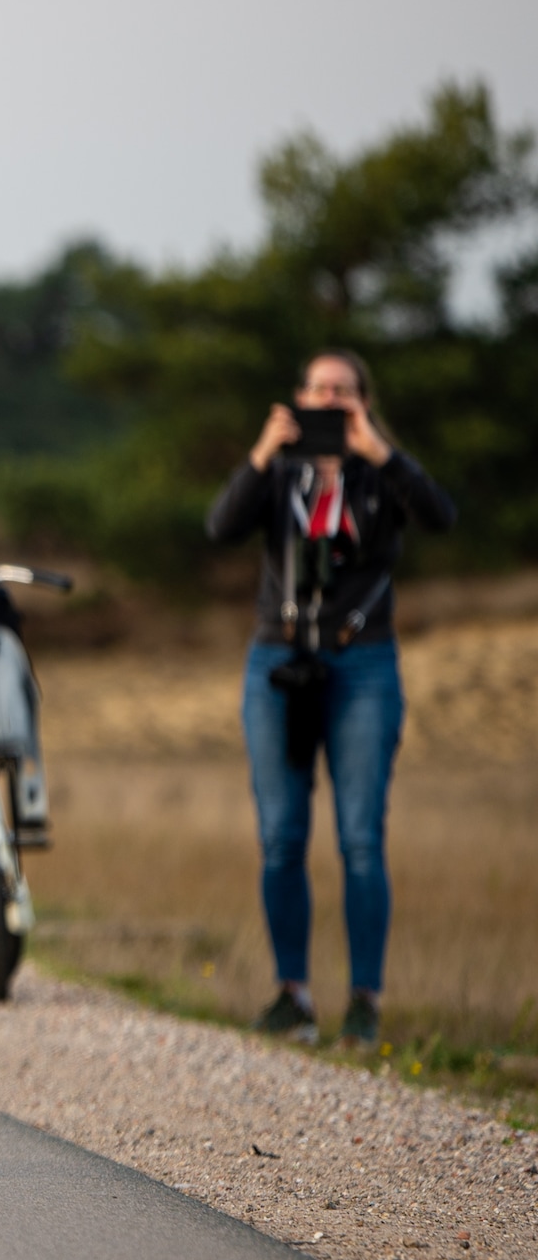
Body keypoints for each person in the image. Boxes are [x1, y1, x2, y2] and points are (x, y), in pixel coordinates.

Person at [207, 349, 454, 1048]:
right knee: (281, 836)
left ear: (364, 403)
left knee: (360, 839)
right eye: (320, 390)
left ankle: (365, 1004)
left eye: (345, 392)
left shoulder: (383, 474)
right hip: (278, 658)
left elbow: (440, 517)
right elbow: (221, 527)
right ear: (298, 398)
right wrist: (261, 453)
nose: (331, 401)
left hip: (362, 662)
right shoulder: (278, 471)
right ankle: (292, 994)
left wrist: (381, 452)